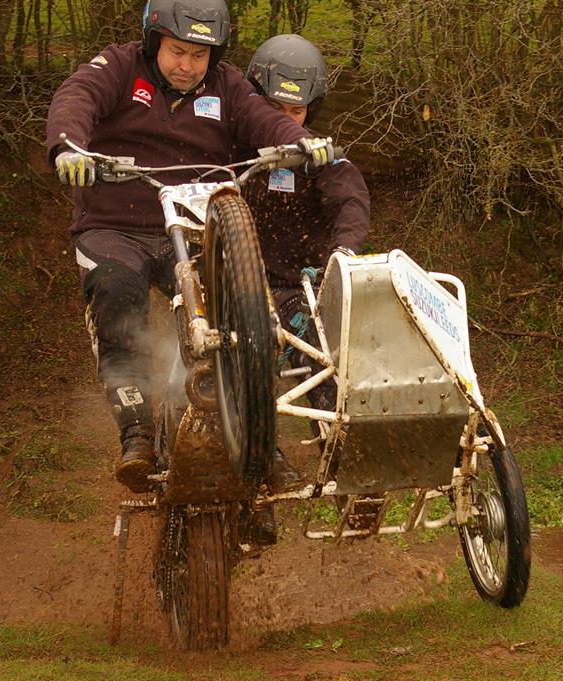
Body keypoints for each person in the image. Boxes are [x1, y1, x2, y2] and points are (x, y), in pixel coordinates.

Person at [45, 0, 336, 497]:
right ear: (153, 40)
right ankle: (136, 430)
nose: (188, 66)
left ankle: (259, 439)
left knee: (248, 312)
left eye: (199, 55)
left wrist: (301, 140)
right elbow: (77, 97)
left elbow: (264, 119)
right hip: (117, 224)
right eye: (178, 51)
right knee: (118, 290)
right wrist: (69, 147)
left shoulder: (226, 86)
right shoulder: (118, 67)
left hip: (194, 226)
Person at [241, 33, 370, 417]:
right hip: (232, 287)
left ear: (309, 112)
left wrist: (343, 252)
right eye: (274, 108)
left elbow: (351, 199)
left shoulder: (320, 154)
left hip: (298, 288)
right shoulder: (230, 150)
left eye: (295, 112)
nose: (285, 120)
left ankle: (336, 443)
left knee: (325, 357)